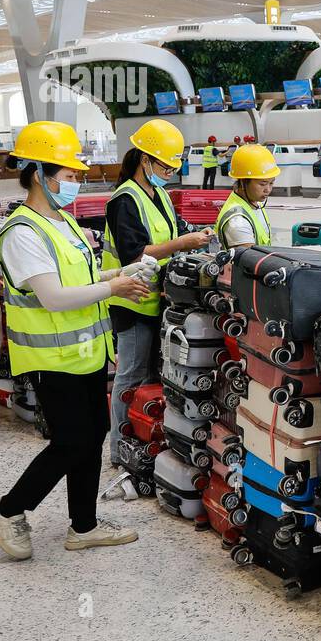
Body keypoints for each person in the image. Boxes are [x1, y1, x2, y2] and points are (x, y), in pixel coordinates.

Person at [0, 121, 152, 558]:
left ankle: (84, 525)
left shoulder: (64, 223)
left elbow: (84, 278)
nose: (76, 180)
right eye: (70, 173)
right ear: (39, 173)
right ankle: (7, 510)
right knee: (71, 441)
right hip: (51, 358)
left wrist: (122, 273)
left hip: (86, 353)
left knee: (93, 433)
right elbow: (54, 297)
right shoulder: (23, 233)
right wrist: (114, 288)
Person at [103, 118, 213, 467]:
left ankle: (144, 442)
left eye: (172, 168)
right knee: (131, 374)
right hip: (131, 300)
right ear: (144, 159)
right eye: (165, 166)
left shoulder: (159, 194)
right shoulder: (124, 200)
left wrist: (196, 236)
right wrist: (181, 243)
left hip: (158, 299)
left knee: (153, 376)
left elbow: (173, 231)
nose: (168, 173)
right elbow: (134, 255)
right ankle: (120, 448)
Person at [215, 144, 278, 249]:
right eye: (262, 184)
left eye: (271, 183)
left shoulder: (254, 203)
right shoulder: (237, 222)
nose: (268, 189)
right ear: (243, 183)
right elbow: (250, 257)